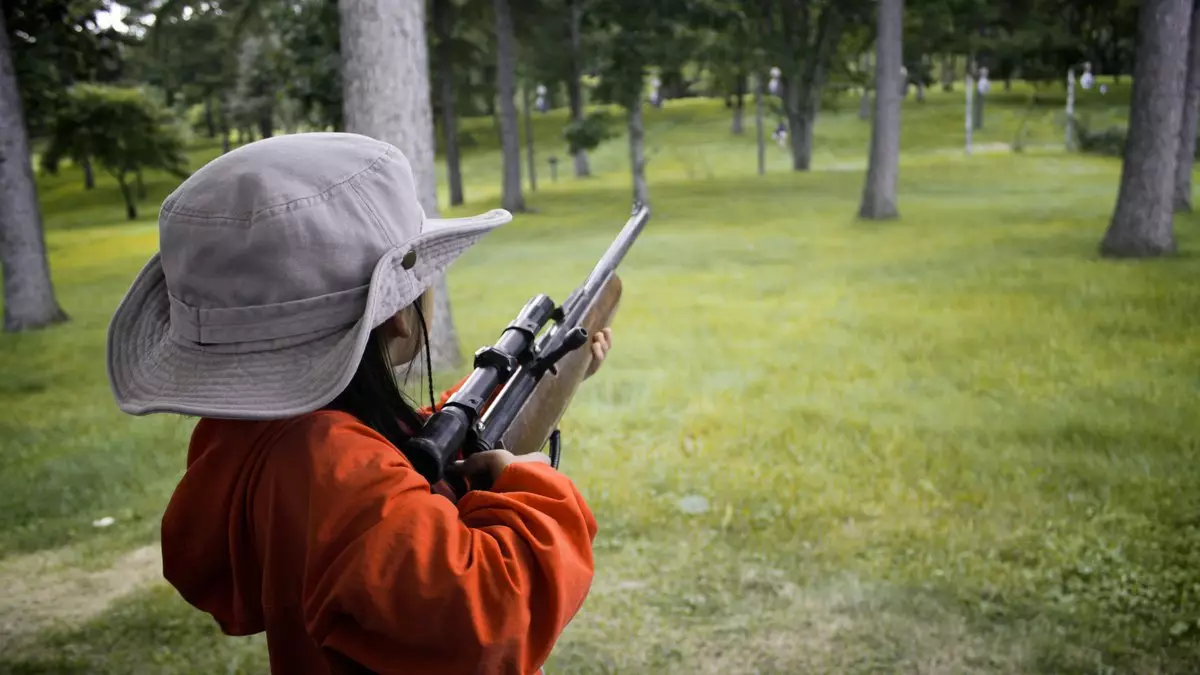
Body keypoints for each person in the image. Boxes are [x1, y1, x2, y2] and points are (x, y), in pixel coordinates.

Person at [105, 132, 611, 675]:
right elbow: (489, 619)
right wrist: (532, 486)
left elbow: (394, 461)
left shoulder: (269, 438)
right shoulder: (335, 467)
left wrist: (527, 389)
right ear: (397, 311)